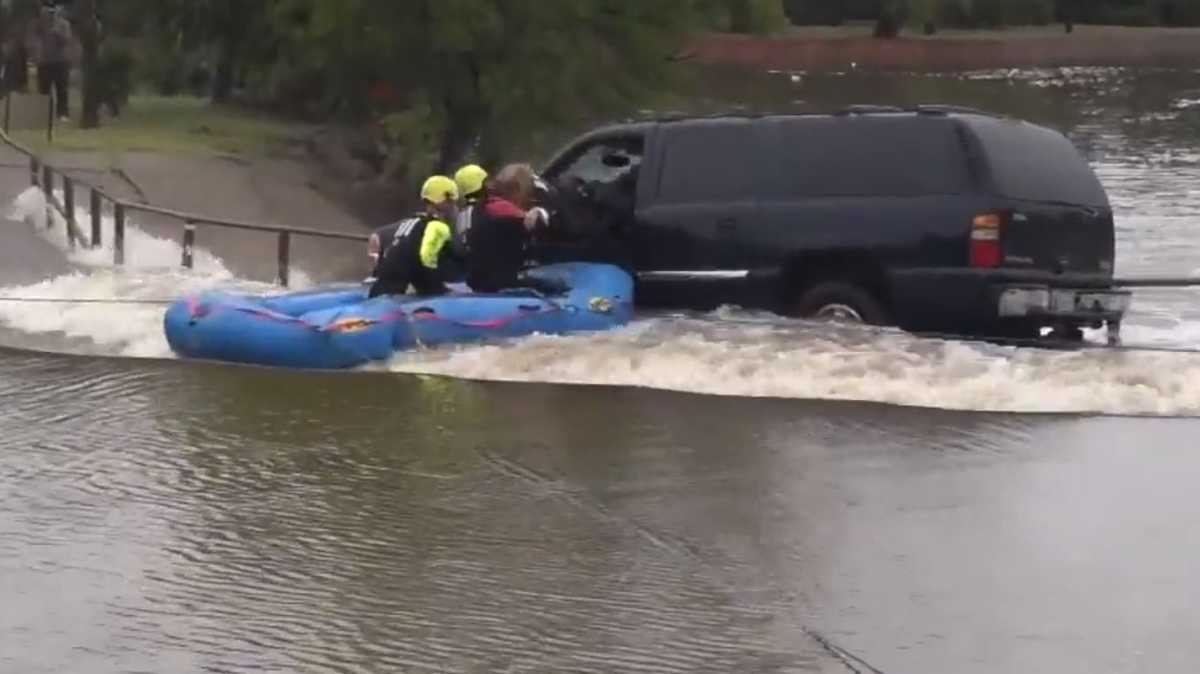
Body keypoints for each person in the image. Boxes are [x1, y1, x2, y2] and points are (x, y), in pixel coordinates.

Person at [367, 175, 462, 298]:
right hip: (393, 302)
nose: (455, 208)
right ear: (444, 202)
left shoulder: (411, 223)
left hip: (378, 294)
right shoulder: (435, 229)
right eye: (453, 202)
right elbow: (427, 269)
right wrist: (445, 293)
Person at [465, 163, 551, 293]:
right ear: (517, 189)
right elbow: (533, 223)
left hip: (480, 281)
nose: (530, 197)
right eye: (528, 191)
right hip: (499, 285)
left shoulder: (484, 206)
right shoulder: (503, 209)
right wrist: (540, 211)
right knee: (558, 286)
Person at [35, 2, 70, 122]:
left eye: (52, 12)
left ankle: (63, 114)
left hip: (60, 61)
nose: (49, 14)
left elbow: (66, 40)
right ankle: (43, 114)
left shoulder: (64, 24)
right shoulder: (40, 24)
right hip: (44, 62)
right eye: (47, 12)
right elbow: (34, 39)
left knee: (62, 89)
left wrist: (56, 31)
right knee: (43, 89)